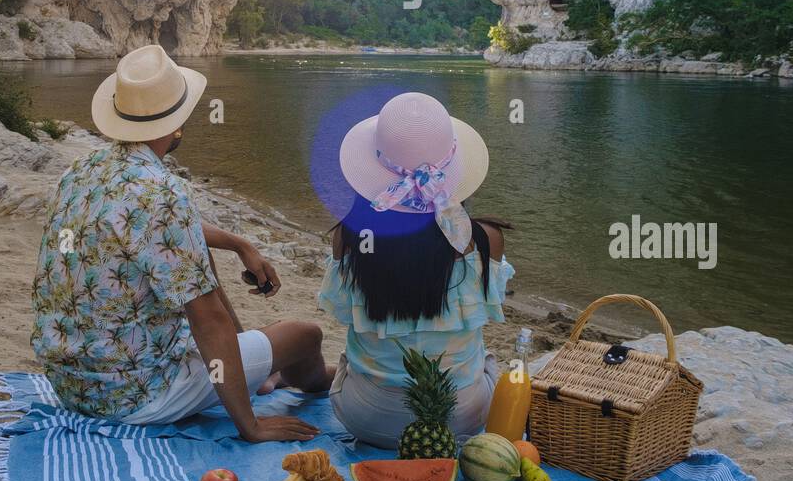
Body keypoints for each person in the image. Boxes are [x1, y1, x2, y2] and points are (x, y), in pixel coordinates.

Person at [32, 44, 331, 440]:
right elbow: (208, 319)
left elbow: (142, 229)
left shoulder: (83, 169)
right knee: (305, 335)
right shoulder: (164, 192)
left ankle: (261, 368)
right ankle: (313, 381)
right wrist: (251, 426)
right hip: (137, 394)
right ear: (177, 123)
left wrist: (239, 243)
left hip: (72, 383)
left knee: (198, 254)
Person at [318, 91, 513, 448]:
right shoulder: (486, 239)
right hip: (461, 419)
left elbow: (345, 314)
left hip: (365, 417)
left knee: (352, 361)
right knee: (486, 361)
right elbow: (487, 308)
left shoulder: (350, 236)